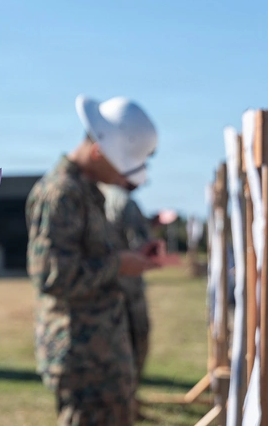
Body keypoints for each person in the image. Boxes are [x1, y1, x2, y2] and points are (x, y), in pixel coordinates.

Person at [26, 95, 163, 426]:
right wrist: (120, 265)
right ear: (98, 152)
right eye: (120, 168)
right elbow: (52, 277)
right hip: (83, 360)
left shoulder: (86, 193)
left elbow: (92, 257)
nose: (120, 180)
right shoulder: (61, 194)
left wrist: (129, 257)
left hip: (100, 354)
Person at [100, 182, 156, 390]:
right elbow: (143, 247)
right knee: (134, 348)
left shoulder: (92, 196)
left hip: (100, 290)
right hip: (128, 291)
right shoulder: (124, 202)